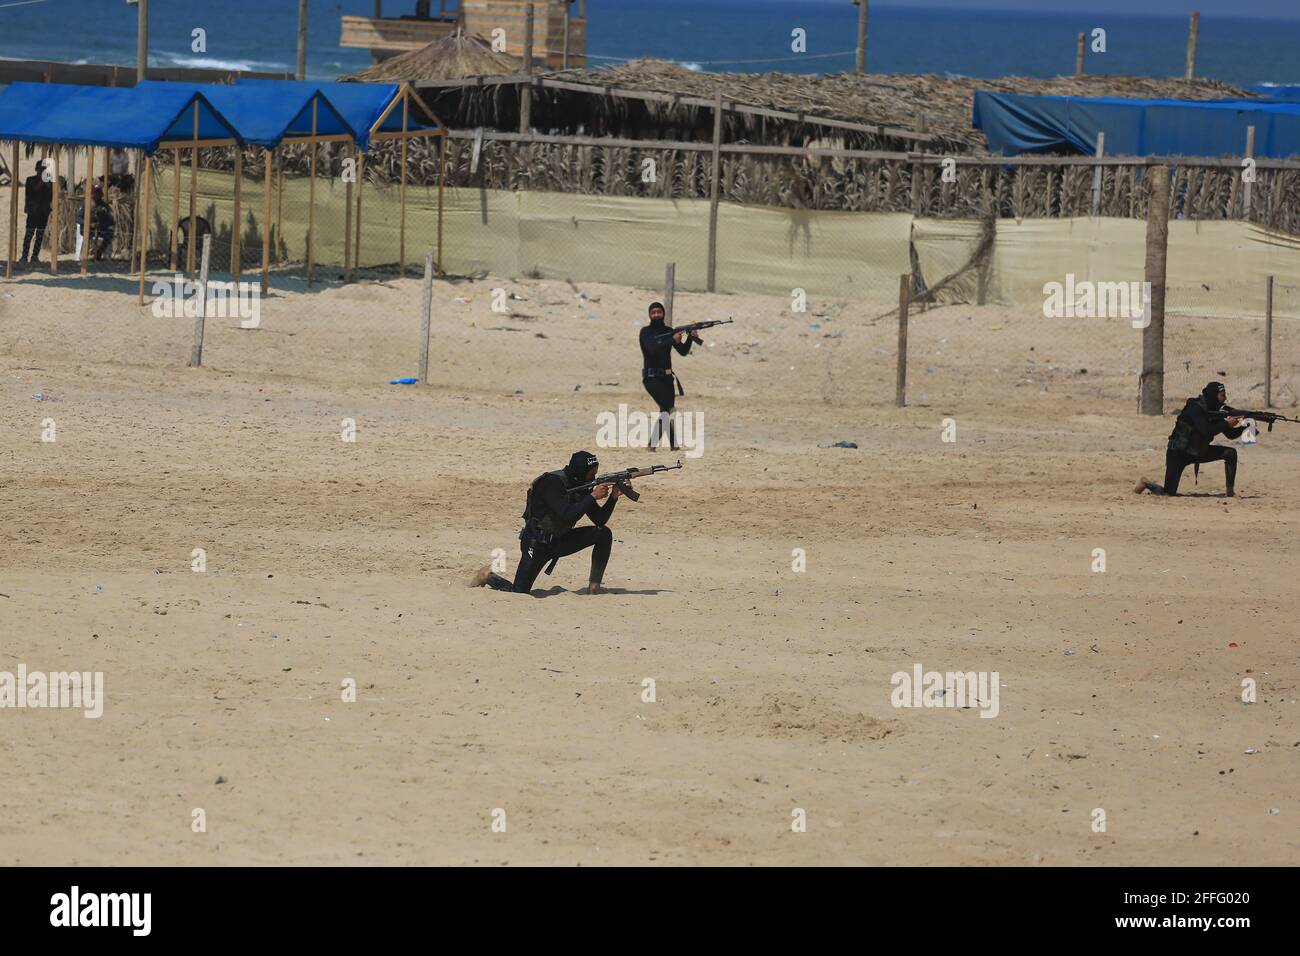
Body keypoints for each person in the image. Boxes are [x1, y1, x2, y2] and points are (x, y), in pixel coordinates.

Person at [471, 451, 626, 595]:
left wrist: (613, 497)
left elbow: (599, 519)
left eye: (595, 474)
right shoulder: (552, 483)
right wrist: (592, 497)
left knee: (603, 533)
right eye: (591, 474)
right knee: (519, 592)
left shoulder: (582, 486)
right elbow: (566, 514)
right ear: (580, 473)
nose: (593, 478)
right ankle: (487, 575)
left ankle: (594, 587)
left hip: (560, 540)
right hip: (537, 543)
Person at [1136, 381, 1244, 497]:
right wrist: (1226, 424)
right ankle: (1146, 483)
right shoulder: (1195, 408)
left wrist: (1246, 427)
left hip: (1198, 451)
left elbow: (1230, 435)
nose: (1225, 398)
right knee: (1168, 493)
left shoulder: (1214, 411)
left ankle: (1230, 492)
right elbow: (1206, 431)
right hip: (1179, 453)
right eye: (1222, 395)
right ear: (1214, 395)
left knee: (1230, 453)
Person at [640, 301, 702, 451]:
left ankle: (672, 446)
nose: (656, 315)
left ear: (663, 314)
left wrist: (690, 338)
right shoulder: (646, 332)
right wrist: (671, 340)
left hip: (667, 379)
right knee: (669, 410)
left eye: (659, 312)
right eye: (653, 312)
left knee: (666, 410)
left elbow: (683, 351)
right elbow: (652, 350)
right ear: (650, 314)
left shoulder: (669, 330)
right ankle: (655, 445)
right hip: (652, 379)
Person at [21, 159, 53, 266]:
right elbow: (35, 189)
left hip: (43, 212)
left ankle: (35, 256)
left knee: (39, 234)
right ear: (36, 169)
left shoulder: (49, 182)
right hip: (33, 211)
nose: (42, 171)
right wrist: (43, 181)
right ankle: (24, 256)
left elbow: (51, 195)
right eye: (41, 169)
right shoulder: (30, 180)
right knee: (29, 234)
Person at [75, 182, 115, 262]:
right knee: (87, 236)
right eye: (95, 193)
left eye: (98, 193)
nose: (97, 195)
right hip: (87, 229)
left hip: (100, 228)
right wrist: (88, 224)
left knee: (109, 235)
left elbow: (111, 220)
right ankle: (85, 255)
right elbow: (78, 218)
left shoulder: (104, 206)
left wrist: (101, 224)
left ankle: (99, 253)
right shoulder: (85, 204)